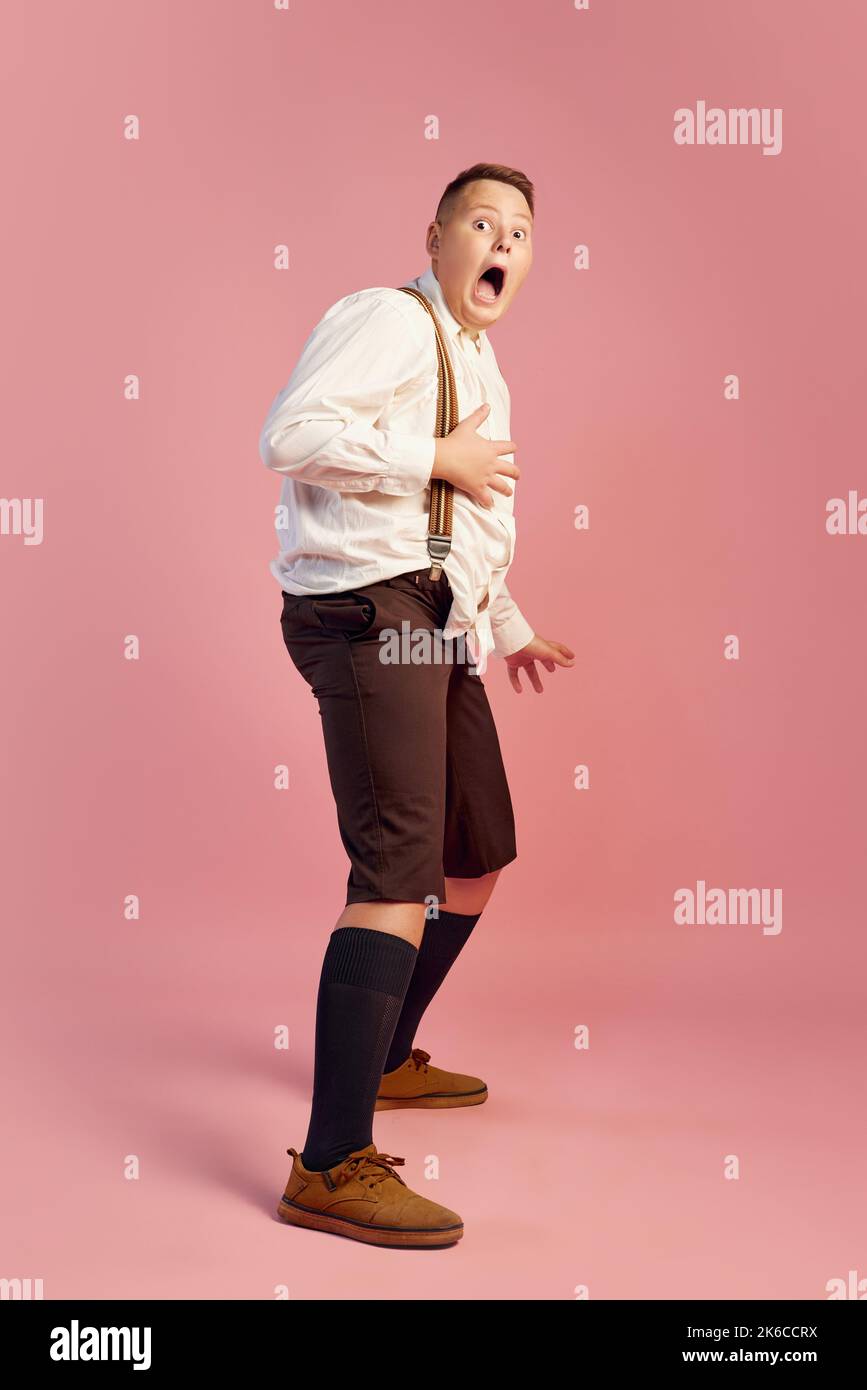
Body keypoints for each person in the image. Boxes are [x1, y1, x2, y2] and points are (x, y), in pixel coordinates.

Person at [259, 162, 575, 1248]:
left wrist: (507, 623)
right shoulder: (387, 320)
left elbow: (458, 522)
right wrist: (433, 452)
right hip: (361, 608)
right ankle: (332, 1162)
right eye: (482, 221)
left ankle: (385, 1054)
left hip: (432, 613)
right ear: (436, 236)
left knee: (475, 852)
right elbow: (290, 437)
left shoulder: (478, 359)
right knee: (398, 861)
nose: (502, 241)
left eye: (520, 231)